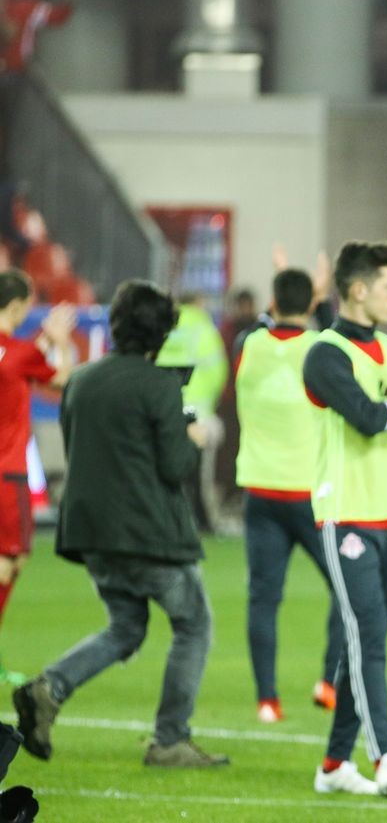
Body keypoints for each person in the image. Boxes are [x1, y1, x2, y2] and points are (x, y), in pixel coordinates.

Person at [12, 279, 228, 768]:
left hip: (90, 533)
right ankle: (170, 739)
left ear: (115, 325)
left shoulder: (83, 380)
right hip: (149, 534)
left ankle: (50, 688)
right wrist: (191, 434)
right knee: (193, 625)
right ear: (164, 333)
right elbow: (175, 466)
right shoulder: (160, 385)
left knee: (126, 628)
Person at [302, 240, 387, 798]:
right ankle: (385, 758)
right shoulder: (324, 353)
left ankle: (333, 766)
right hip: (346, 517)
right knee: (367, 638)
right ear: (358, 290)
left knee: (364, 641)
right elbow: (370, 419)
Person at [233, 268, 344, 723]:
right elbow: (338, 330)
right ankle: (327, 683)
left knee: (263, 598)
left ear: (274, 303)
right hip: (311, 496)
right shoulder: (320, 348)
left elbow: (261, 324)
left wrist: (279, 305)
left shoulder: (249, 345)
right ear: (310, 303)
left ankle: (267, 701)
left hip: (259, 493)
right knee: (344, 588)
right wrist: (321, 300)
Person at [0, 269, 73, 685]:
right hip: (9, 473)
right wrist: (59, 343)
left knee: (10, 559)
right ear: (15, 306)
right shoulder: (22, 351)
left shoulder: (16, 350)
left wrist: (41, 340)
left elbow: (15, 362)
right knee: (11, 560)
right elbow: (60, 380)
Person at [156, 294, 230, 534]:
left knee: (163, 470)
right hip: (198, 412)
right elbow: (219, 370)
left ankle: (166, 521)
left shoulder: (162, 326)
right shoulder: (203, 327)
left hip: (163, 410)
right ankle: (203, 521)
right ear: (198, 303)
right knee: (199, 474)